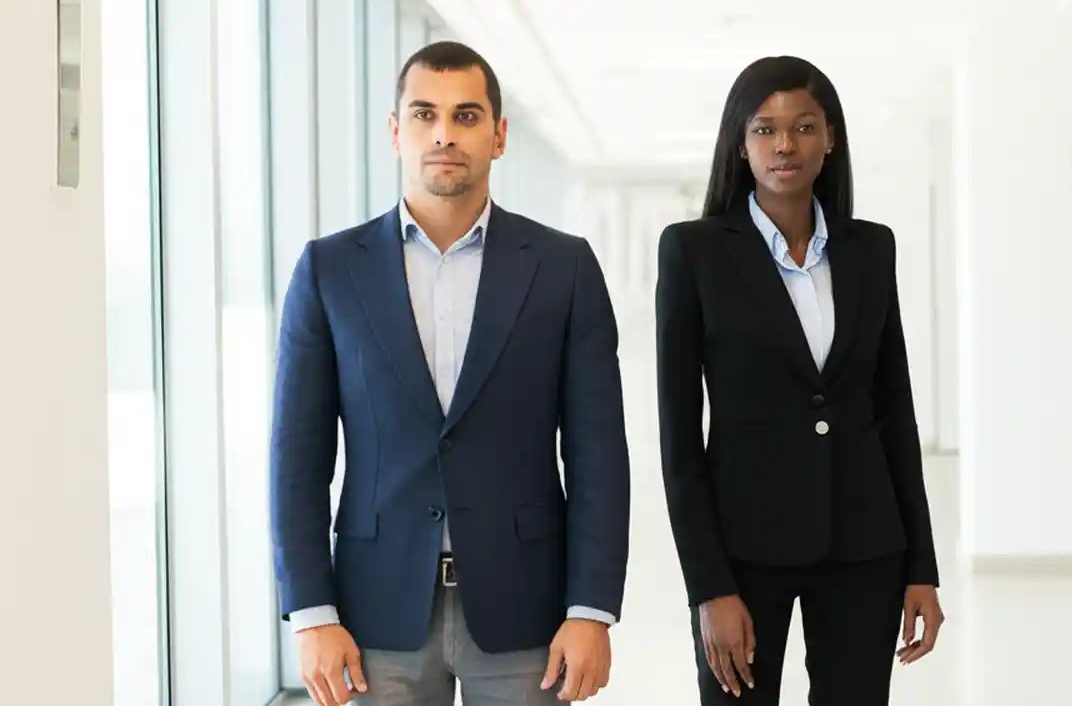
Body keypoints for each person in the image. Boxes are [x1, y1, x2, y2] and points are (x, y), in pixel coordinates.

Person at [270, 41, 630, 706]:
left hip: (527, 608)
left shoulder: (562, 267)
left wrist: (591, 609)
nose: (443, 134)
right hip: (374, 613)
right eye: (424, 114)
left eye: (466, 116)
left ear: (498, 136)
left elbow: (598, 454)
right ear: (395, 130)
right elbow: (297, 457)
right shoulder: (328, 271)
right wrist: (312, 612)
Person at [655, 55, 945, 705]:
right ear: (740, 143)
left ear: (830, 138)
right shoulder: (693, 252)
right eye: (764, 128)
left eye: (804, 126)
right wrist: (709, 587)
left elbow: (894, 412)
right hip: (745, 553)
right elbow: (678, 441)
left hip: (865, 547)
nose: (785, 144)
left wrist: (920, 568)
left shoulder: (871, 249)